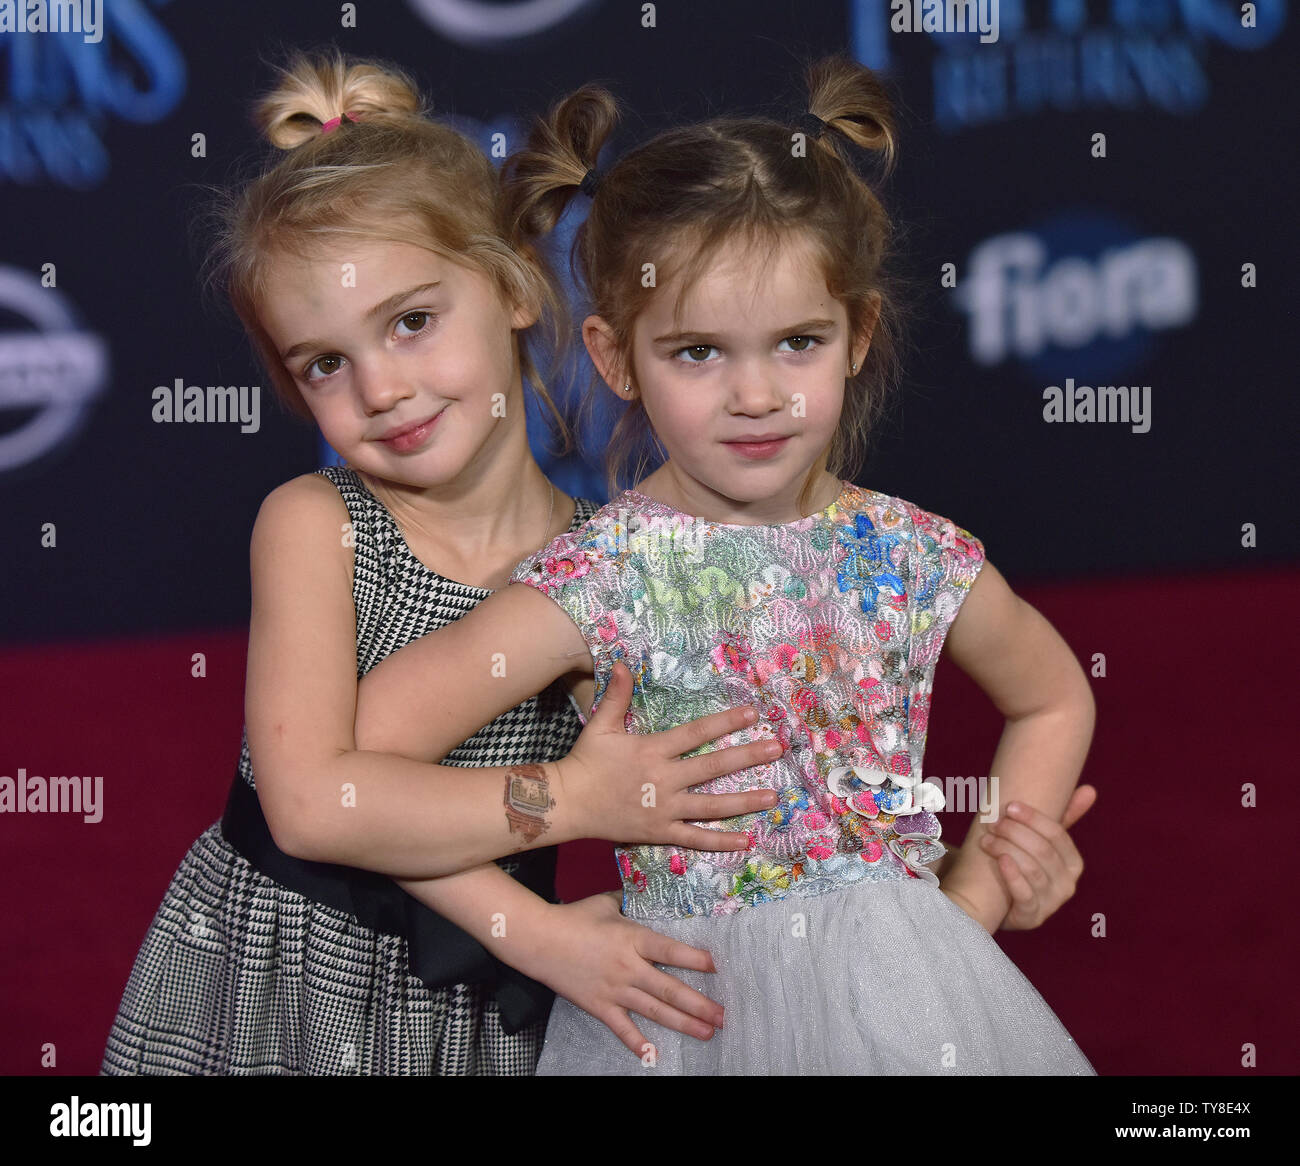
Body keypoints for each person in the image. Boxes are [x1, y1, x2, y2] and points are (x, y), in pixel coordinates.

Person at [351, 55, 1098, 1074]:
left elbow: (1054, 697)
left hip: (917, 1012)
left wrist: (980, 888)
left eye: (797, 340)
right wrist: (533, 912)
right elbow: (362, 764)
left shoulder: (914, 553)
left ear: (857, 334)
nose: (755, 394)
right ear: (617, 358)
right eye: (698, 351)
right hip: (689, 1019)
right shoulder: (603, 574)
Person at [100, 49, 781, 1076]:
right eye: (325, 363)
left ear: (512, 285)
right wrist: (567, 811)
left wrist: (973, 865)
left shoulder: (601, 562)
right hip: (274, 987)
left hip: (471, 1014)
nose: (381, 388)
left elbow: (714, 794)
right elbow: (316, 804)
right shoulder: (313, 523)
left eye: (412, 322)